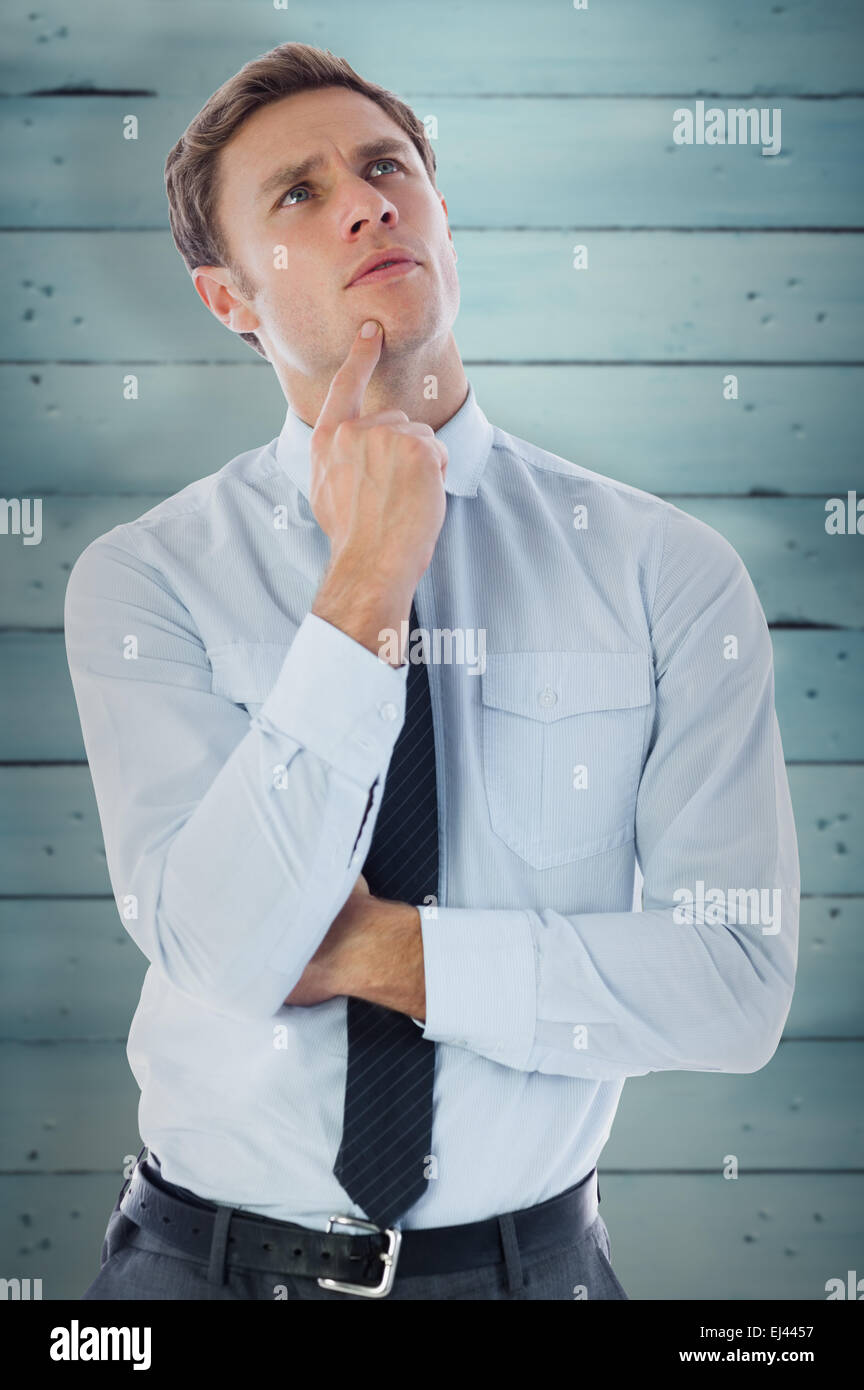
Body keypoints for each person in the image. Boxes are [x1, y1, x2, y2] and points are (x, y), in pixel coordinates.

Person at [65, 42, 799, 1301]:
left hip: (535, 1271)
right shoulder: (145, 581)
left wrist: (365, 947)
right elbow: (223, 949)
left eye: (386, 165)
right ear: (228, 300)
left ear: (442, 215)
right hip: (202, 1271)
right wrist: (369, 581)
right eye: (296, 194)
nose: (365, 201)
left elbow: (733, 987)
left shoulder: (664, 570)